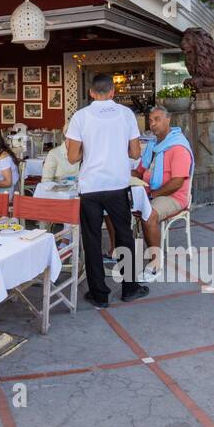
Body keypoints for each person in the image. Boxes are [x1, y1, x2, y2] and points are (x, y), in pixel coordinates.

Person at [66, 73, 146, 309]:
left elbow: (72, 157)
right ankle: (130, 288)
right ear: (112, 92)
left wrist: (89, 152)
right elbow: (135, 153)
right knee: (124, 234)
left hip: (90, 186)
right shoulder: (126, 114)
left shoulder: (80, 116)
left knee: (91, 239)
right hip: (117, 185)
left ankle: (99, 294)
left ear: (91, 92)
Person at [132, 106, 193, 279]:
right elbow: (139, 171)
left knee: (149, 214)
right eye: (150, 120)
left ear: (168, 119)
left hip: (173, 196)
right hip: (150, 191)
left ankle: (155, 262)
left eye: (157, 119)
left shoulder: (178, 147)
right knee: (115, 204)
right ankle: (117, 252)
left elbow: (177, 182)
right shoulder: (153, 144)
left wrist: (152, 195)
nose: (153, 124)